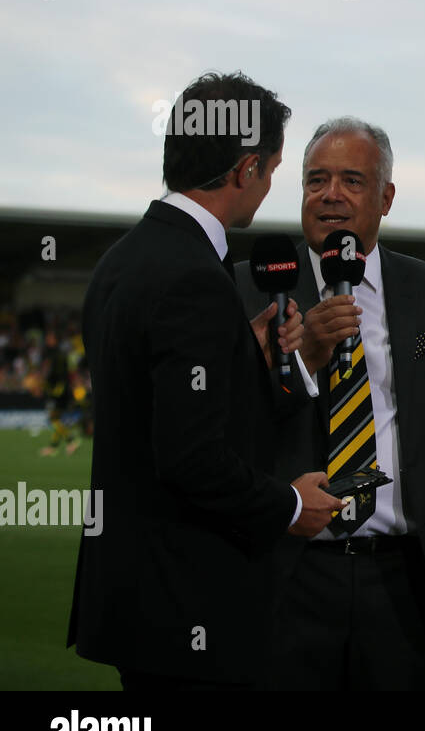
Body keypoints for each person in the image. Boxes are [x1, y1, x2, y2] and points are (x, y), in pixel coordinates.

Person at [67, 71, 342, 690]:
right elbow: (191, 460)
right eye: (272, 171)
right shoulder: (193, 275)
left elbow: (153, 408)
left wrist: (243, 357)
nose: (269, 188)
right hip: (187, 602)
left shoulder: (123, 261)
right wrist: (291, 503)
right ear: (246, 169)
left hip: (135, 598)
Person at [234, 116, 425, 690]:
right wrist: (304, 355)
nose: (331, 194)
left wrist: (410, 470)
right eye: (316, 180)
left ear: (385, 197)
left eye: (352, 181)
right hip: (284, 573)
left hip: (404, 581)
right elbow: (220, 429)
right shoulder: (245, 289)